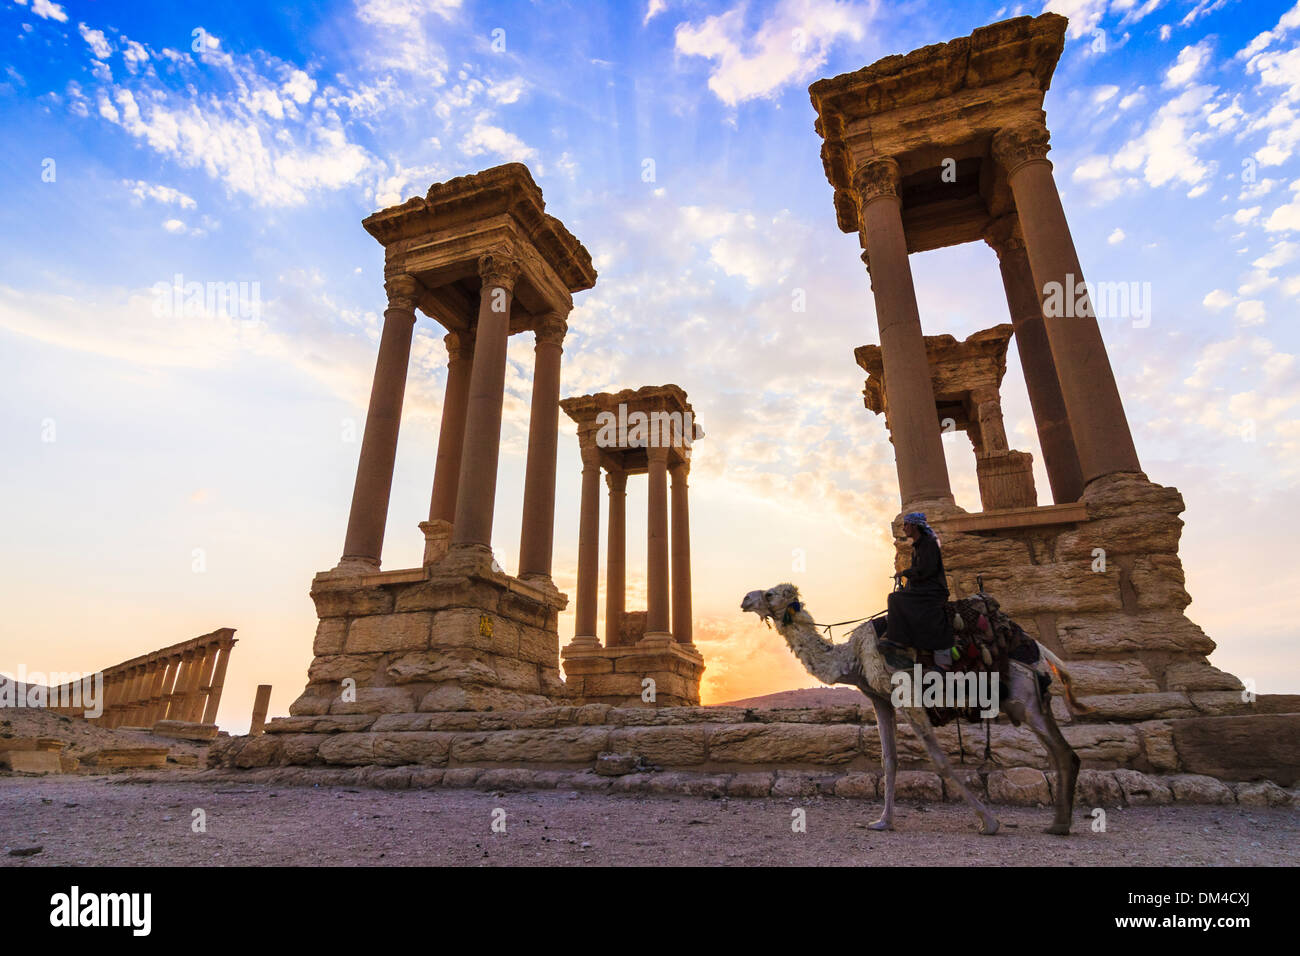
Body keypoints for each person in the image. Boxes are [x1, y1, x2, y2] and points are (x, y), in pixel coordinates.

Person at [885, 512, 951, 651]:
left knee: (894, 599)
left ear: (914, 526)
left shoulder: (928, 544)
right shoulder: (918, 546)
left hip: (933, 591)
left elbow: (926, 569)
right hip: (924, 589)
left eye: (906, 524)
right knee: (899, 596)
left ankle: (900, 641)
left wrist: (905, 573)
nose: (903, 528)